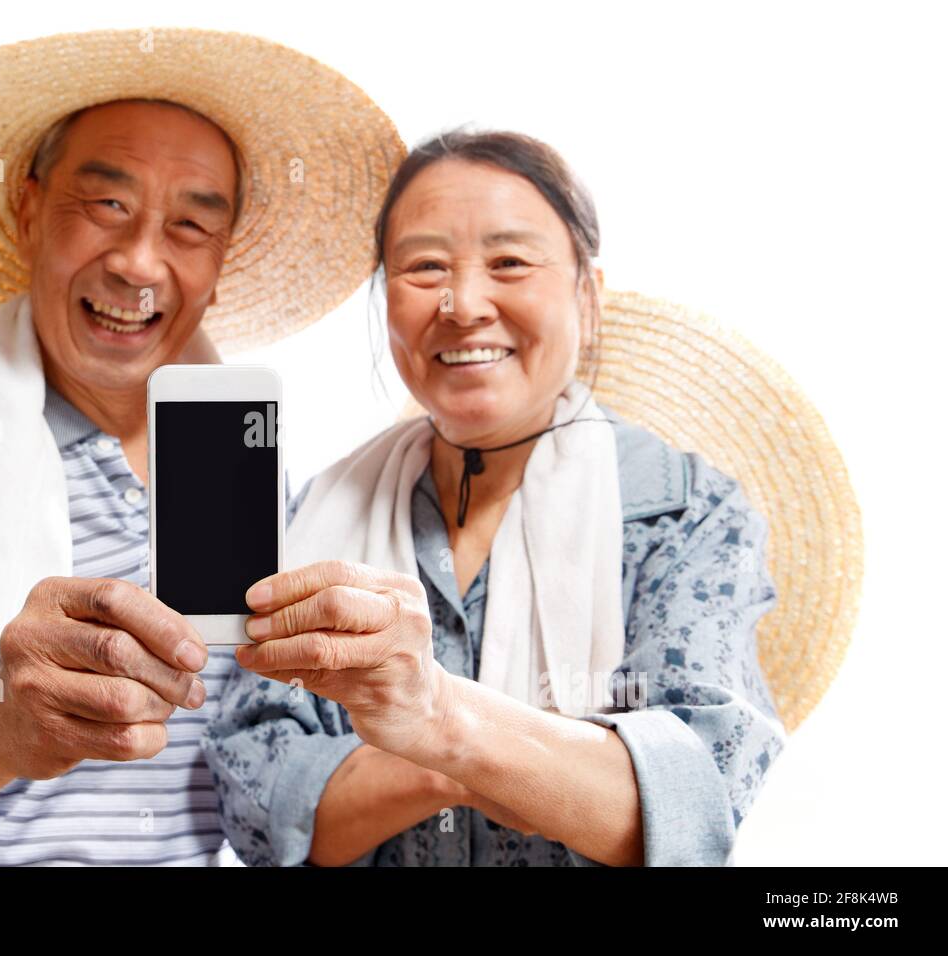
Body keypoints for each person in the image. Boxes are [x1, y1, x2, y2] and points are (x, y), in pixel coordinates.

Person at [0, 29, 403, 866]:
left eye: (189, 224)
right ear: (27, 209)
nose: (139, 262)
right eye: (106, 205)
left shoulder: (256, 481)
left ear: (220, 261)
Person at [204, 129, 787, 866]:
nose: (464, 303)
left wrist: (439, 721)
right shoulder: (319, 511)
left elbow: (687, 807)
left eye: (509, 262)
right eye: (424, 267)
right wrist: (487, 758)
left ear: (587, 294)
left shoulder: (685, 515)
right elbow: (260, 797)